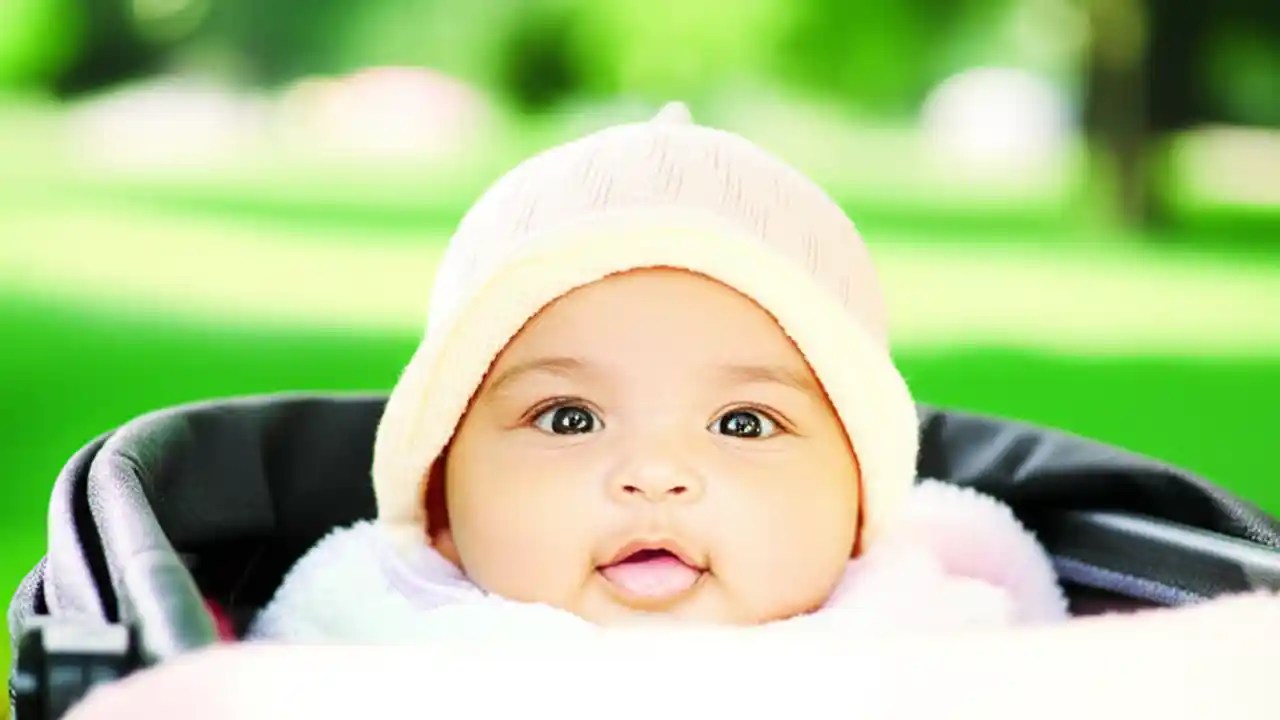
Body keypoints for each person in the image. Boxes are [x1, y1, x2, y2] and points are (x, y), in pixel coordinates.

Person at [243, 101, 1065, 642]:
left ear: (860, 510)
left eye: (743, 423)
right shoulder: (367, 637)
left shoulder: (932, 638)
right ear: (437, 500)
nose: (655, 475)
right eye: (568, 418)